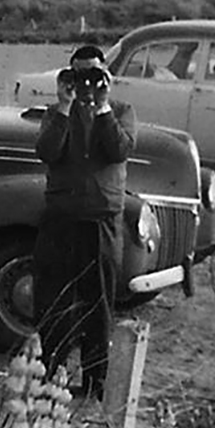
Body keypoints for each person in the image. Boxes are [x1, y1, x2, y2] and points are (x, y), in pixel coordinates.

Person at [33, 45, 137, 400]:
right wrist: (64, 105)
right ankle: (51, 375)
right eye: (80, 74)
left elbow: (119, 150)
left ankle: (95, 382)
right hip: (61, 220)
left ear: (107, 75)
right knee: (55, 302)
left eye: (95, 74)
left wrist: (104, 105)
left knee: (99, 305)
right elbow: (47, 150)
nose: (88, 83)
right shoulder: (57, 113)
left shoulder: (122, 111)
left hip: (101, 223)